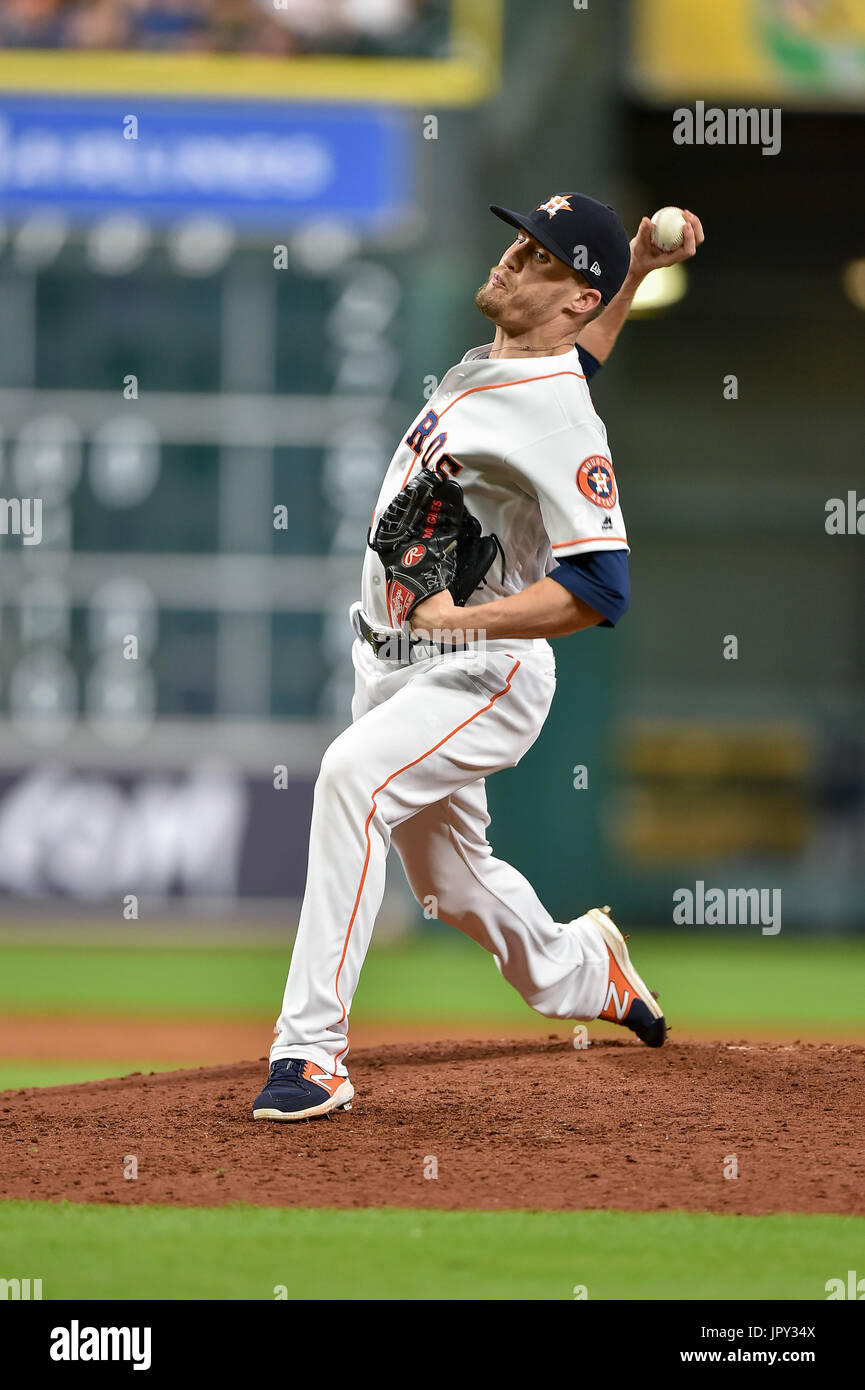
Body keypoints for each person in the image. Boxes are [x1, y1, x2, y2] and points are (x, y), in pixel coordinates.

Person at [253, 193, 704, 1121]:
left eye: (539, 256)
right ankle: (587, 971)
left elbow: (599, 589)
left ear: (571, 294)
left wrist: (464, 623)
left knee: (351, 780)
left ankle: (312, 1054)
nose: (511, 259)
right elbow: (567, 362)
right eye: (519, 241)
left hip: (478, 671)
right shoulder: (523, 362)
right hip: (386, 661)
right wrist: (631, 277)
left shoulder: (563, 425)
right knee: (452, 884)